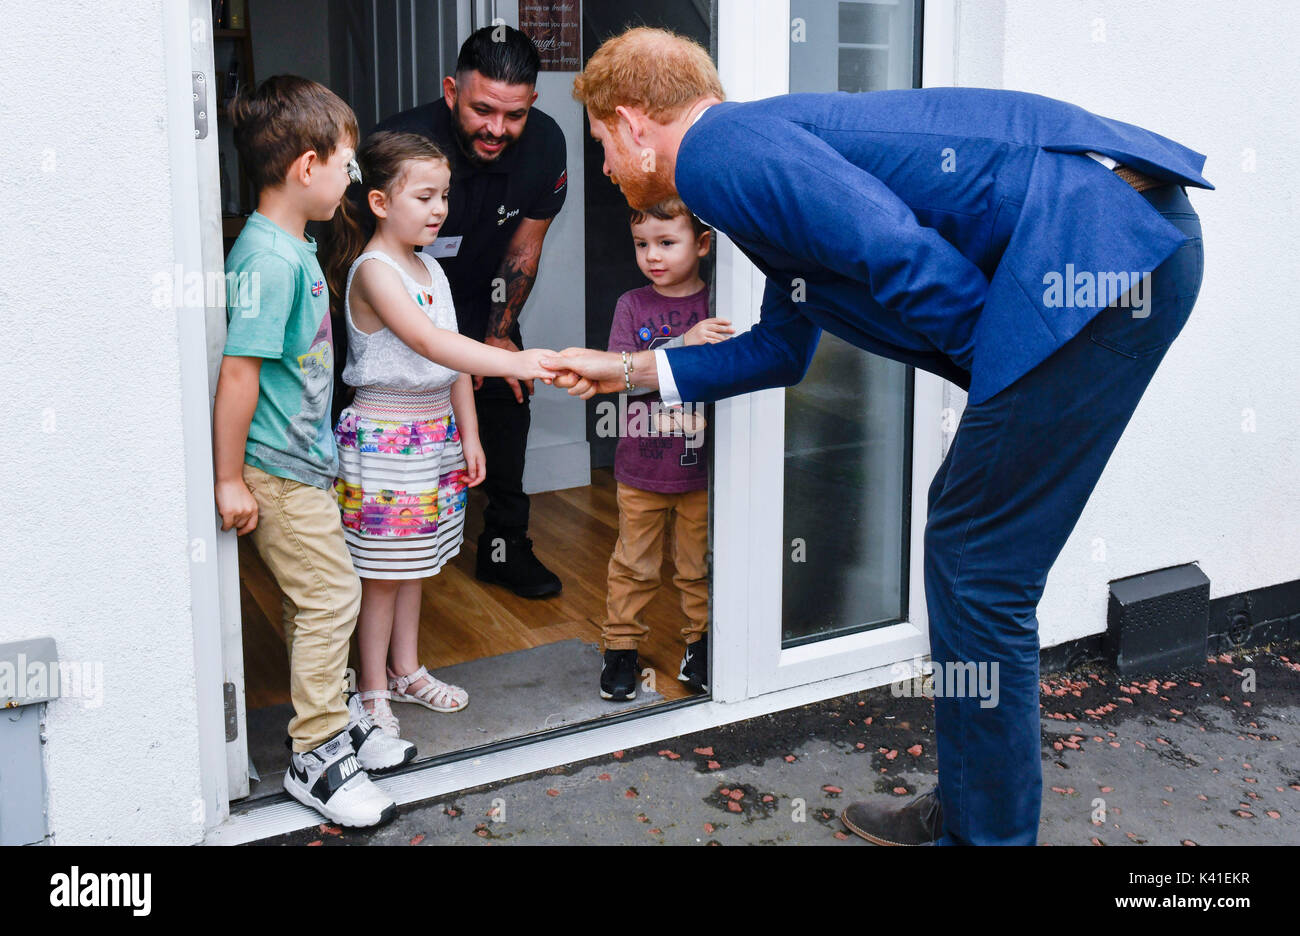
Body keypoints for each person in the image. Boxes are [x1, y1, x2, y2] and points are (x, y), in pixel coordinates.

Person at [545, 27, 1210, 846]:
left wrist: (996, 372)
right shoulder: (749, 153)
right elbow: (783, 350)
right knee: (971, 553)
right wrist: (626, 371)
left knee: (977, 565)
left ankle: (984, 835)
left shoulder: (720, 155)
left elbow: (893, 246)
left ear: (634, 120)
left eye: (604, 143)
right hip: (1122, 244)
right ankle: (975, 812)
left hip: (1101, 256)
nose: (607, 166)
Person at [213, 75, 411, 829]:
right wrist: (230, 477)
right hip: (279, 473)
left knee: (318, 603)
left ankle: (335, 724)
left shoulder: (289, 247)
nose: (351, 179)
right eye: (347, 165)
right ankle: (318, 756)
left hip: (304, 468)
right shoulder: (267, 259)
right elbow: (239, 372)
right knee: (331, 599)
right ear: (306, 166)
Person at [324, 131, 559, 743]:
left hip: (432, 438)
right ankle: (370, 689)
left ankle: (405, 670)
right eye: (425, 196)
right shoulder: (373, 272)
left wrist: (471, 435)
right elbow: (431, 344)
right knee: (382, 573)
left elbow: (452, 363)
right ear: (379, 202)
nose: (439, 209)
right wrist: (519, 361)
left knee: (416, 565)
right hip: (385, 437)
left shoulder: (431, 268)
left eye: (444, 196)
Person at [373, 25, 569, 598]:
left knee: (507, 400)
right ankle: (375, 558)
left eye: (513, 115)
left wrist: (498, 340)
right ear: (451, 91)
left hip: (485, 300)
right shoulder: (397, 140)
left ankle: (504, 547)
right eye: (483, 109)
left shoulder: (546, 143)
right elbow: (362, 252)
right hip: (399, 307)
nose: (496, 129)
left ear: (531, 102)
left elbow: (525, 248)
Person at [599, 197, 733, 701]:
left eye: (666, 243)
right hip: (641, 467)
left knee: (699, 564)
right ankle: (621, 649)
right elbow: (621, 378)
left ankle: (701, 646)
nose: (652, 255)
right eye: (641, 245)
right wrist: (683, 344)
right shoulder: (632, 305)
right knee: (635, 564)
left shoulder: (721, 303)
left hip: (704, 469)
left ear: (702, 244)